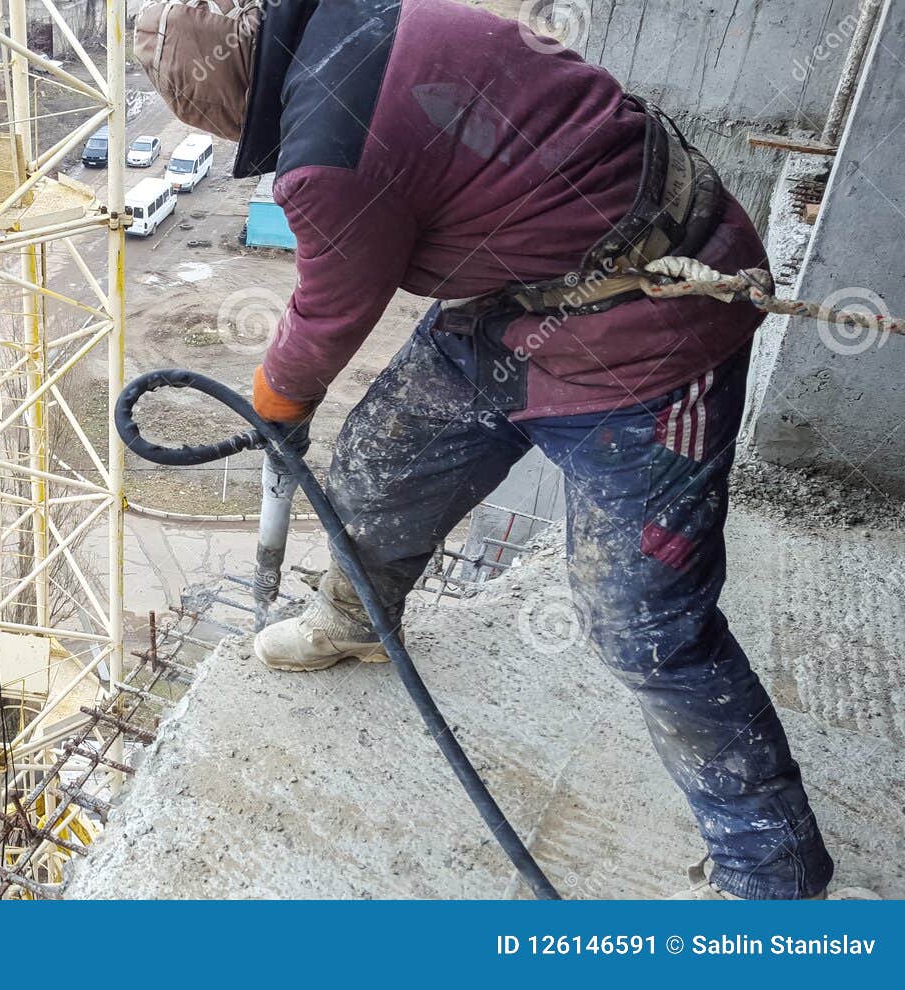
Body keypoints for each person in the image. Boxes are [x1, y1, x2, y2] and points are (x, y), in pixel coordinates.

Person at [133, 0, 861, 899]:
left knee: (643, 622)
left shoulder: (326, 155)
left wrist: (277, 401)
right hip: (519, 297)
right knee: (380, 463)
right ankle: (359, 620)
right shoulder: (370, 16)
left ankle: (774, 870)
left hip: (652, 332)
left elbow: (328, 310)